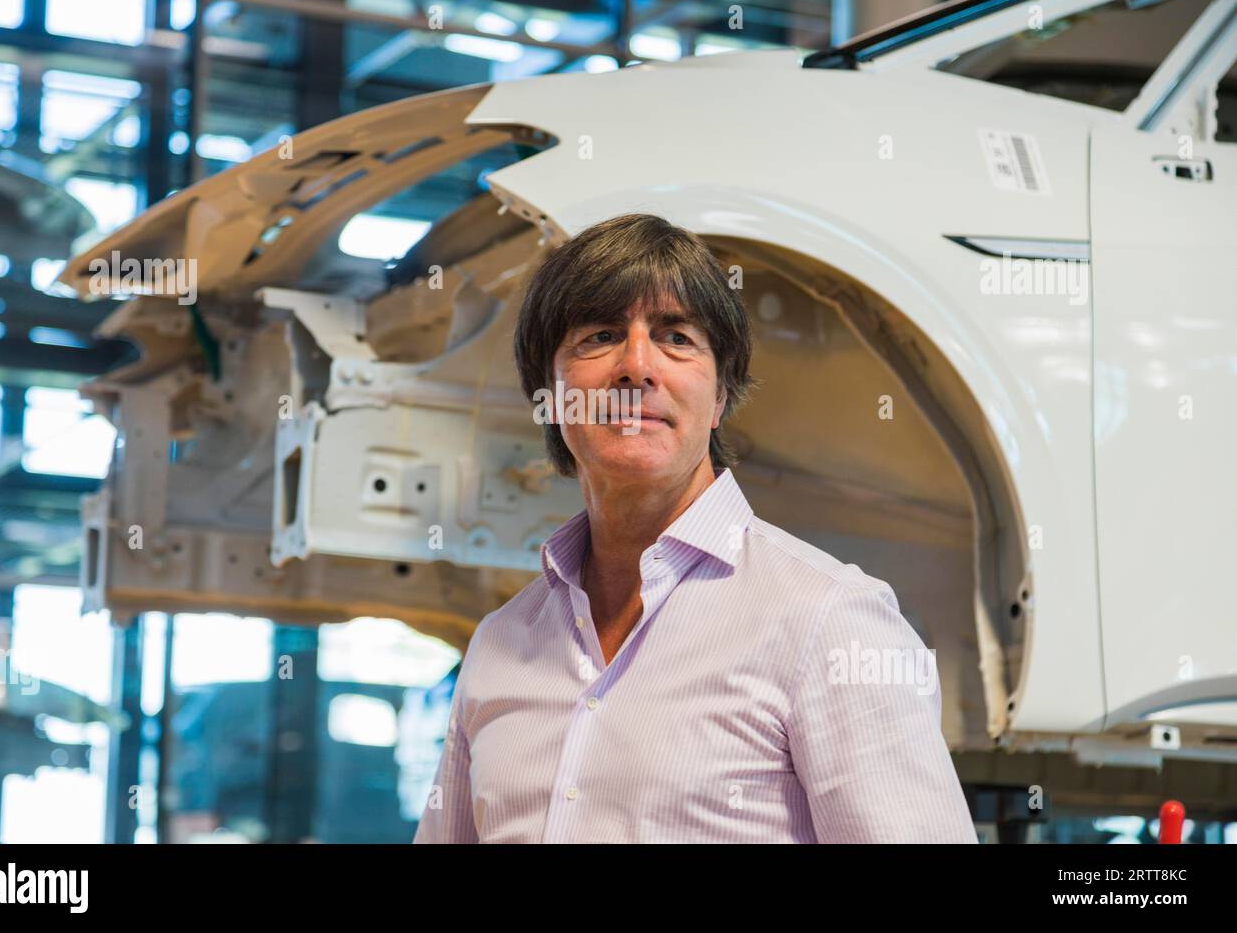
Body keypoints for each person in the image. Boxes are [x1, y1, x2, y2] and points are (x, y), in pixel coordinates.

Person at [414, 212, 977, 843]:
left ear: (720, 397)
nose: (636, 366)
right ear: (550, 394)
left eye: (676, 337)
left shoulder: (831, 620)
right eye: (599, 335)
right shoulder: (500, 644)